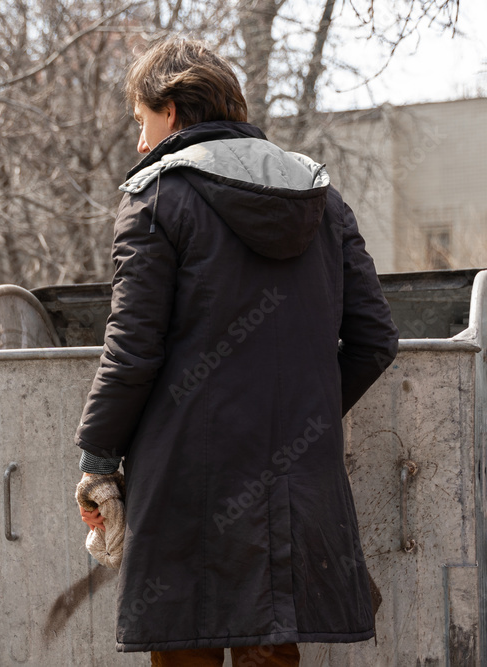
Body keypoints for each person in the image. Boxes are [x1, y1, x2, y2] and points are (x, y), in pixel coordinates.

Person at [73, 38, 399, 667]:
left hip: (183, 485)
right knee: (271, 652)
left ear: (170, 109)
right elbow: (374, 340)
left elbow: (132, 350)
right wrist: (308, 412)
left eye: (141, 121)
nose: (141, 143)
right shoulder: (321, 198)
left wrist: (97, 456)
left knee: (185, 650)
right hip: (296, 482)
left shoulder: (158, 197)